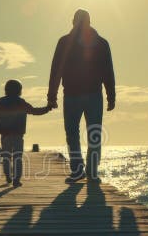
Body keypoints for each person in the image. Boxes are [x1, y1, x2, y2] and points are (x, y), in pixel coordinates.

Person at [47, 9, 115, 183]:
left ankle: (87, 171)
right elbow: (57, 68)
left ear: (74, 21)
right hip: (74, 94)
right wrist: (52, 94)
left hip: (86, 95)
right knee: (83, 133)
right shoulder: (66, 42)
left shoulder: (100, 43)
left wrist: (111, 95)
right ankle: (83, 171)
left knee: (86, 133)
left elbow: (108, 71)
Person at [0, 79, 51, 187]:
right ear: (19, 90)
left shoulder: (2, 103)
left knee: (6, 157)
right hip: (17, 135)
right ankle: (16, 179)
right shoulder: (21, 102)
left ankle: (8, 176)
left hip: (5, 135)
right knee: (17, 157)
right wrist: (47, 109)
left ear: (6, 90)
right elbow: (34, 111)